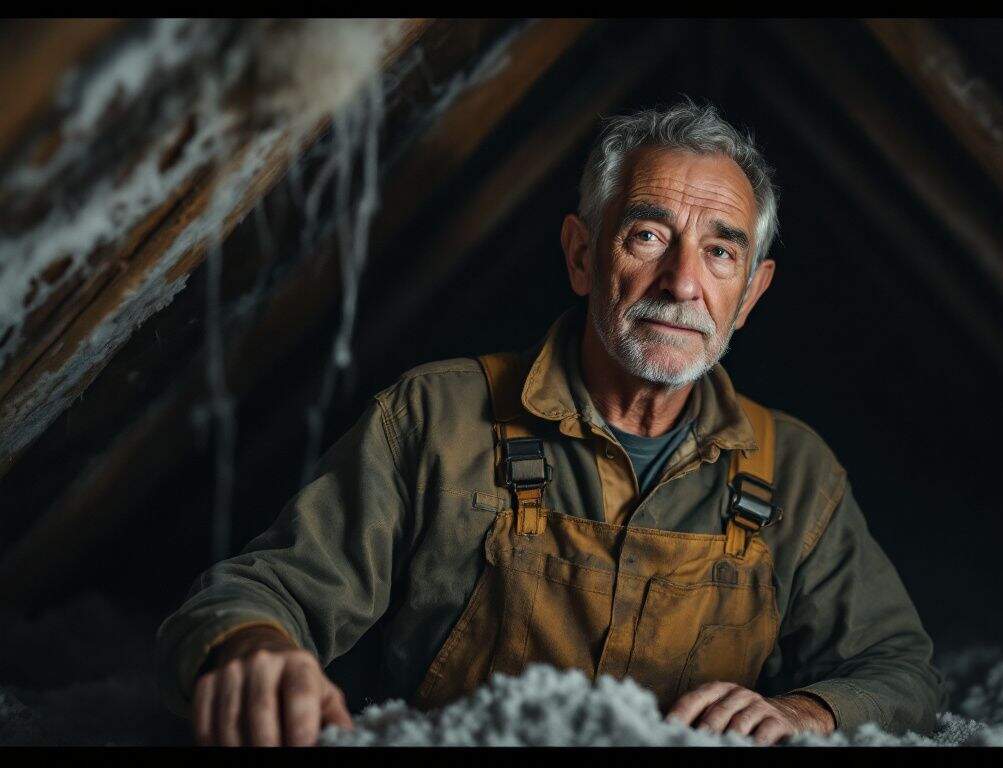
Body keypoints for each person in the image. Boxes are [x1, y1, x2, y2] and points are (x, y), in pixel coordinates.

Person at [157, 100, 945, 747]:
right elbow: (260, 591)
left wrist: (807, 712)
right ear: (580, 254)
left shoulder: (795, 469)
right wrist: (255, 650)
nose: (681, 283)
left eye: (719, 254)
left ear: (750, 295)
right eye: (647, 236)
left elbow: (900, 667)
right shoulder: (437, 419)